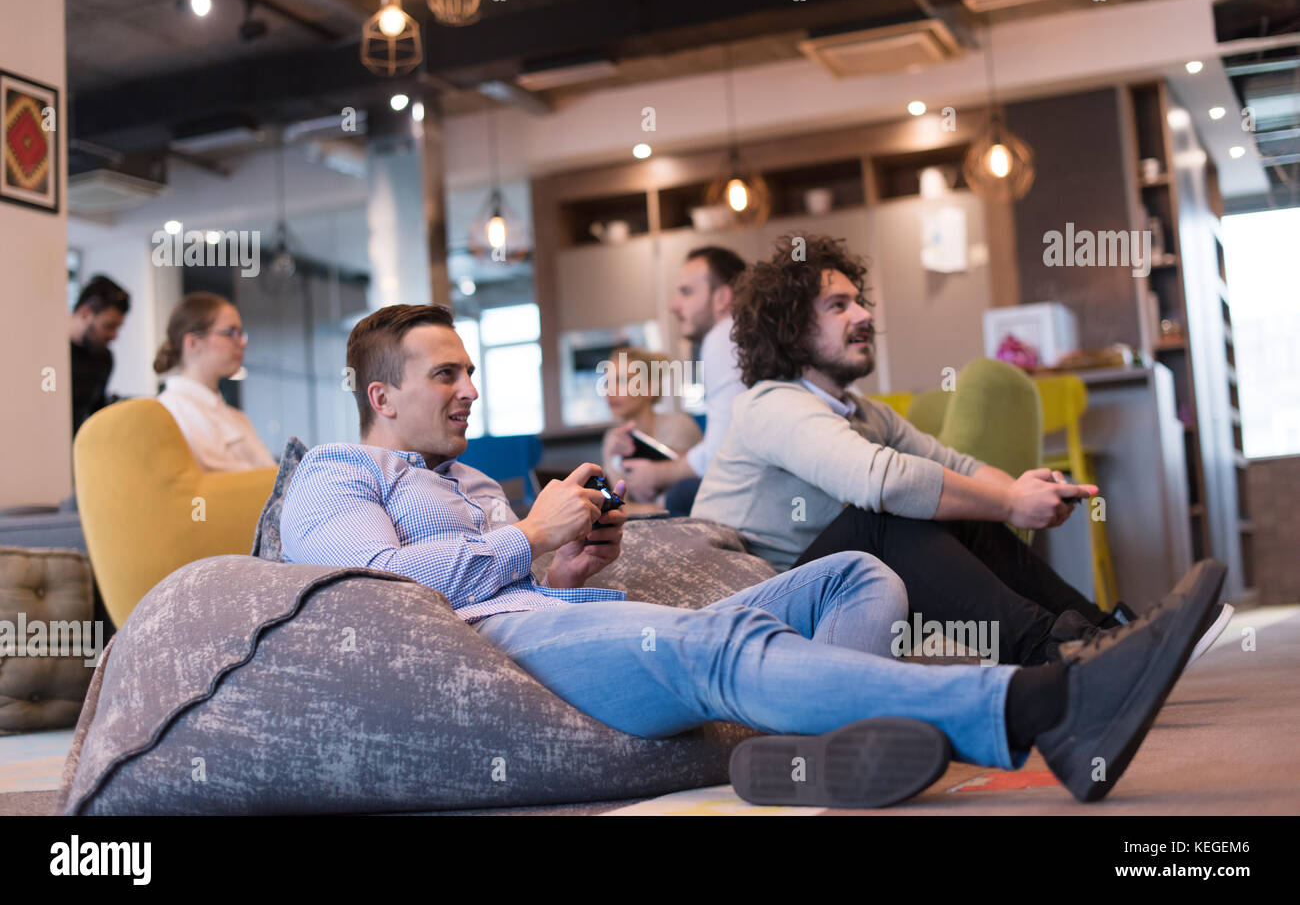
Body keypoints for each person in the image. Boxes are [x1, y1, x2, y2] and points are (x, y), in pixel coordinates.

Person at [278, 301, 1225, 808]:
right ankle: (1043, 706)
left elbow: (514, 563)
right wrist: (529, 538)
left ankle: (810, 757)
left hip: (574, 621)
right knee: (715, 650)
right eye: (446, 373)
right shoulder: (336, 472)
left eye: (470, 370)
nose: (469, 390)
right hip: (509, 652)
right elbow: (371, 595)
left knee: (858, 573)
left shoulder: (472, 485)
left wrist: (565, 557)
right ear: (379, 395)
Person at [692, 234, 1234, 666]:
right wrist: (1010, 505)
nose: (863, 316)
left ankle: (1107, 638)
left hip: (827, 590)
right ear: (789, 332)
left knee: (955, 505)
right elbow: (883, 482)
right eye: (838, 306)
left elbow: (956, 466)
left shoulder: (862, 412)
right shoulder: (769, 405)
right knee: (885, 516)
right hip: (754, 608)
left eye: (859, 300)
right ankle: (1057, 652)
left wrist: (1022, 490)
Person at [612, 247, 746, 515]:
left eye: (686, 292)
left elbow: (717, 457)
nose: (673, 305)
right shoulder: (741, 339)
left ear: (722, 297)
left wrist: (658, 474)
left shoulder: (723, 337)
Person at [153, 292, 275, 472]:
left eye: (241, 334)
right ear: (193, 343)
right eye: (231, 333)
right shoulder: (169, 411)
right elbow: (219, 484)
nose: (242, 343)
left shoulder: (236, 416)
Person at [599, 347, 701, 504]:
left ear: (649, 388)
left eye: (622, 381)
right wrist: (614, 460)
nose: (610, 390)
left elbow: (686, 500)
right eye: (607, 382)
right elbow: (618, 505)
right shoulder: (613, 439)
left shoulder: (679, 427)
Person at [69, 275, 130, 435]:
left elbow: (97, 411)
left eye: (117, 328)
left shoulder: (104, 358)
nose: (114, 335)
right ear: (84, 313)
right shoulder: (50, 355)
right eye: (109, 326)